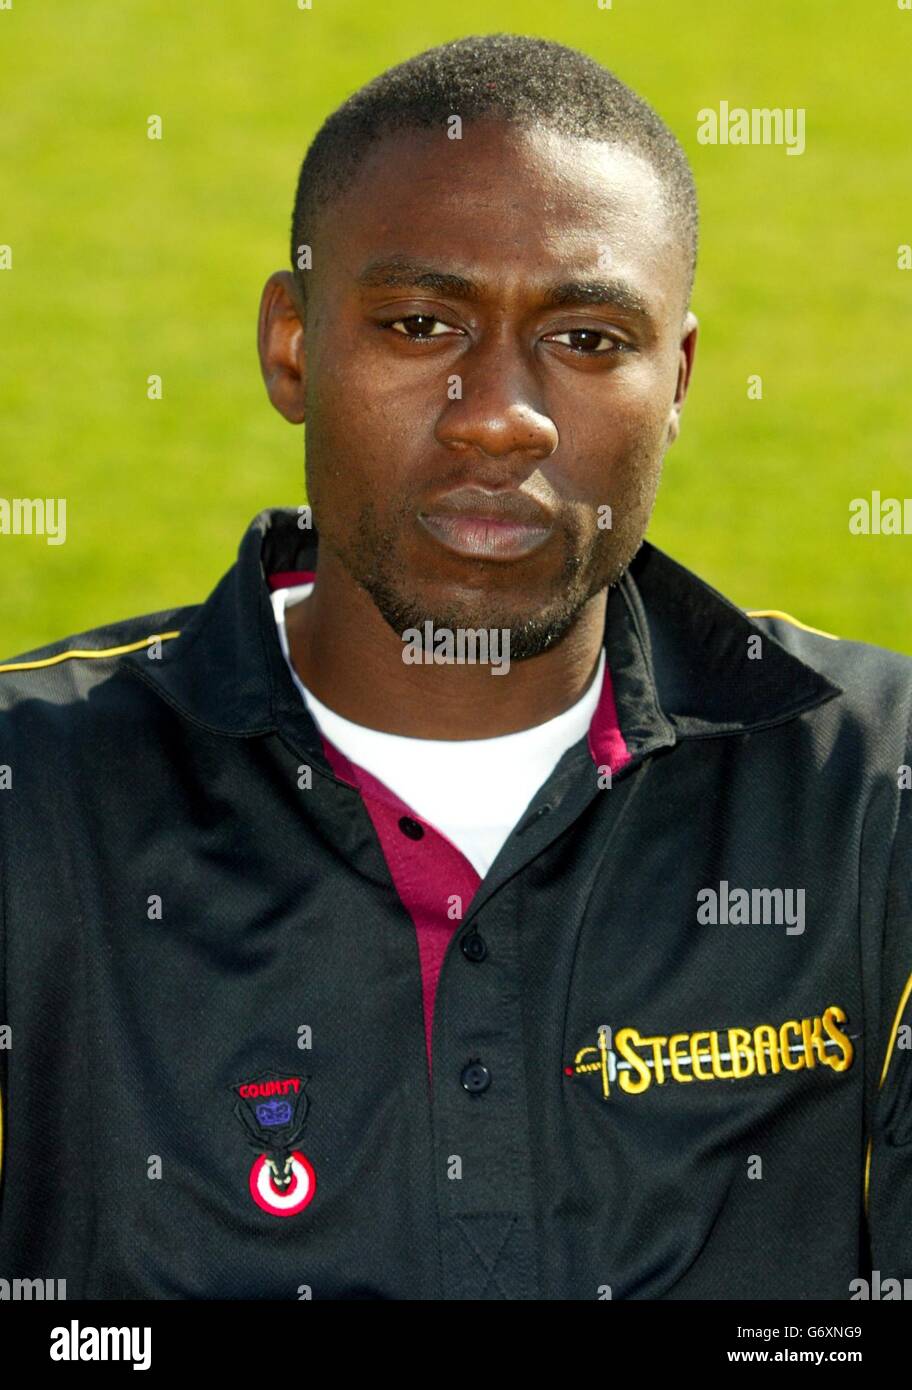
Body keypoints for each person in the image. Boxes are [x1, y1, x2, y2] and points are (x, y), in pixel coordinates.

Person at [0, 32, 909, 1301]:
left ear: (680, 380)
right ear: (293, 347)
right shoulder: (30, 791)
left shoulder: (872, 784)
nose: (501, 413)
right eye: (422, 322)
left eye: (588, 339)